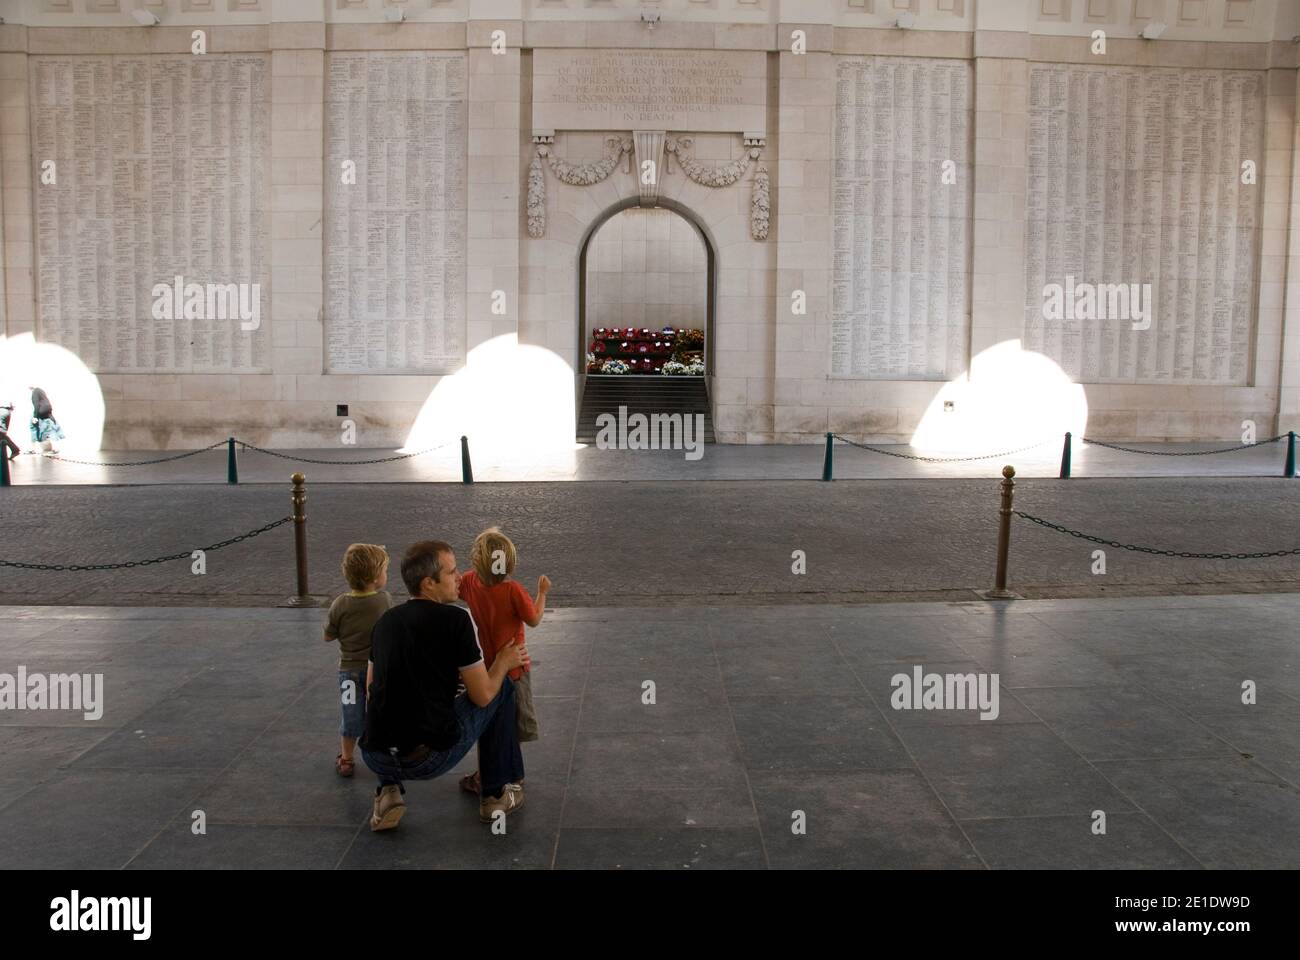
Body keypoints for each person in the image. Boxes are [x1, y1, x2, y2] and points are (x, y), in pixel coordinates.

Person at [360, 540, 529, 832]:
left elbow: (371, 690)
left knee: (385, 701)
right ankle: (495, 794)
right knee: (503, 691)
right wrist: (503, 662)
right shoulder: (456, 620)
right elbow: (483, 695)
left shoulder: (385, 622)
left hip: (376, 755)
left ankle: (388, 792)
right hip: (426, 758)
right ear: (429, 583)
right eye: (452, 573)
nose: (460, 577)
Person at [454, 526, 551, 796]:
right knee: (510, 725)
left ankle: (500, 773)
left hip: (487, 670)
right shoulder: (513, 590)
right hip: (515, 668)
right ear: (510, 561)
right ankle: (502, 776)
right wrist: (542, 593)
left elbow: (454, 591)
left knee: (490, 724)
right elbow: (533, 619)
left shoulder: (471, 582)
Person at [323, 544, 392, 778]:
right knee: (381, 711)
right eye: (384, 571)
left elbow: (328, 635)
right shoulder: (384, 601)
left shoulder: (340, 604)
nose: (386, 575)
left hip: (349, 671)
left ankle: (347, 758)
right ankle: (384, 752)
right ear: (374, 577)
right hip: (379, 670)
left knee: (350, 713)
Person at [28, 386, 65, 454]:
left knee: (33, 428)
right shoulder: (41, 391)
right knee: (51, 430)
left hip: (40, 413)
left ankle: (33, 449)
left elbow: (36, 404)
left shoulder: (35, 392)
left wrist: (35, 416)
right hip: (48, 413)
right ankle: (55, 448)